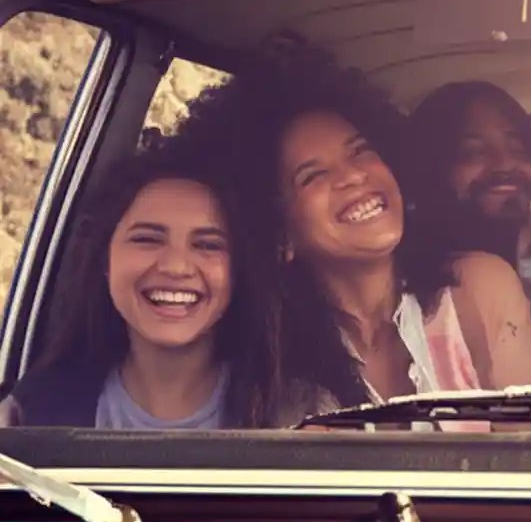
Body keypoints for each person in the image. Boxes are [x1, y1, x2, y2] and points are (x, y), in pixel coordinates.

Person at [176, 58, 531, 424]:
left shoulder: (478, 288)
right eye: (313, 175)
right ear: (278, 230)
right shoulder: (265, 360)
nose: (353, 175)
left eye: (360, 151)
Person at [0, 142, 333, 429]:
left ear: (238, 271)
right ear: (104, 260)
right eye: (146, 239)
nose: (175, 266)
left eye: (208, 245)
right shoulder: (31, 414)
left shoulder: (303, 415)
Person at [404, 82, 531, 382]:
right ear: (430, 169)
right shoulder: (429, 295)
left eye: (518, 148)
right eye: (473, 152)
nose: (505, 163)